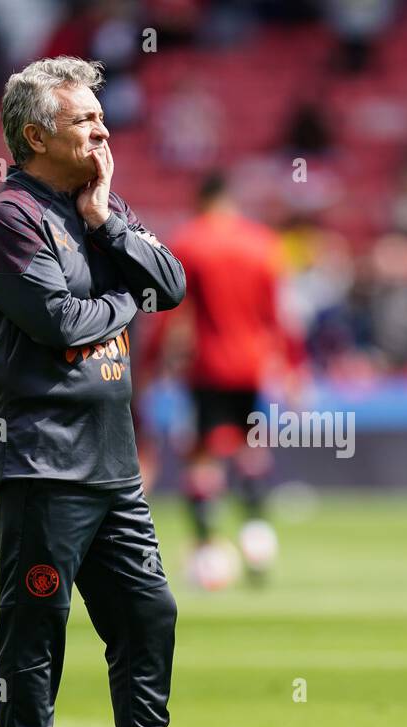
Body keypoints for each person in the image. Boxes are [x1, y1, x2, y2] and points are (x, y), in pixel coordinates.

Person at [0, 56, 238, 727]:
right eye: (84, 118)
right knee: (37, 627)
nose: (103, 128)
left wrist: (105, 222)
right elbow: (60, 324)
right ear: (32, 134)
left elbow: (175, 284)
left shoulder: (98, 207)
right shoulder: (7, 218)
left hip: (113, 465)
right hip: (40, 460)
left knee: (149, 616)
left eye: (101, 115)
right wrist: (127, 302)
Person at [161, 172, 298, 586]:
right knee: (252, 450)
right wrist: (293, 366)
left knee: (203, 457)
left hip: (206, 366)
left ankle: (207, 553)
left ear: (201, 201)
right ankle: (257, 542)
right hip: (253, 366)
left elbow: (172, 312)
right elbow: (279, 316)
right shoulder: (264, 244)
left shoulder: (188, 240)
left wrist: (151, 363)